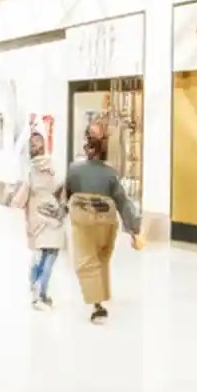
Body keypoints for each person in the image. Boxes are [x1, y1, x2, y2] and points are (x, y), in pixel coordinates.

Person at [62, 133, 142, 324]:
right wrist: (133, 229)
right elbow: (122, 201)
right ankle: (105, 291)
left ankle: (97, 304)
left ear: (86, 149)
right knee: (102, 257)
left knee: (87, 261)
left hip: (83, 222)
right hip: (106, 223)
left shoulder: (74, 170)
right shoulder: (111, 174)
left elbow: (67, 195)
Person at [7, 132, 66, 310]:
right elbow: (60, 187)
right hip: (53, 214)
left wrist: (14, 201)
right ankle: (41, 290)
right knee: (52, 253)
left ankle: (36, 286)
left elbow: (22, 195)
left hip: (36, 216)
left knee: (40, 253)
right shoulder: (54, 167)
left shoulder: (30, 172)